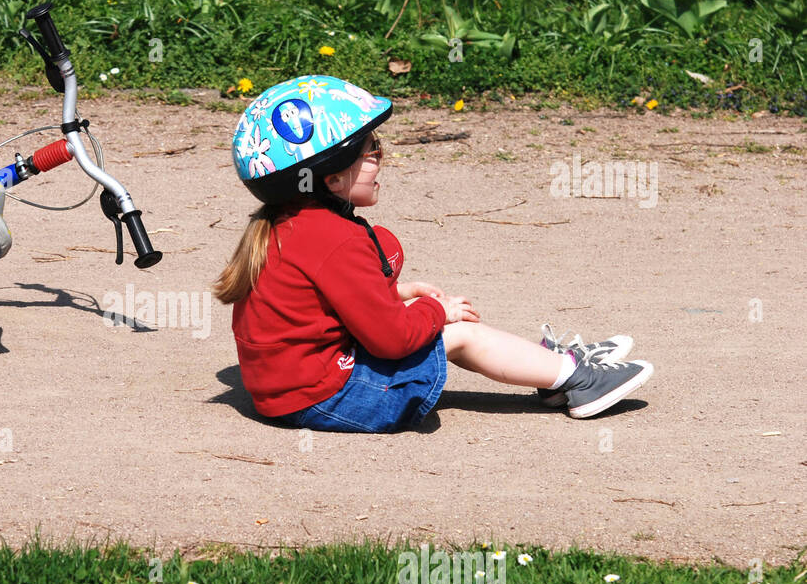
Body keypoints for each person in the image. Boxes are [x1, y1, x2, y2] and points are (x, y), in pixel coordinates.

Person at [212, 75, 653, 433]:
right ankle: (579, 380)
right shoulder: (335, 238)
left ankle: (554, 374)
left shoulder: (287, 223)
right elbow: (391, 340)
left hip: (284, 391)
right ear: (330, 179)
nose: (381, 158)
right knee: (460, 333)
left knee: (436, 322)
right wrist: (434, 310)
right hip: (324, 397)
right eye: (372, 151)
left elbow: (311, 303)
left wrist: (398, 292)